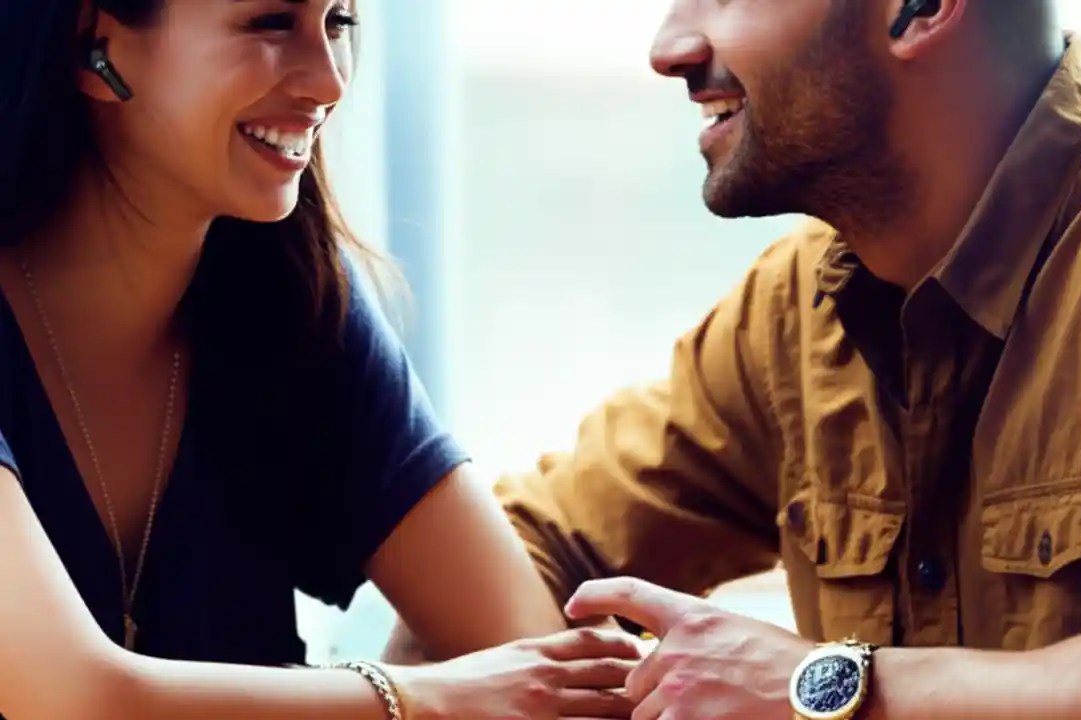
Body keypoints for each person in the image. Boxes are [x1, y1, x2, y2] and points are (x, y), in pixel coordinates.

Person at [388, 0, 1081, 718]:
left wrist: (823, 686)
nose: (670, 46)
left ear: (920, 9)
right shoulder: (793, 307)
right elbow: (515, 559)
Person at [0, 1, 641, 718]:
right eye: (272, 22)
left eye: (338, 23)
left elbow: (533, 661)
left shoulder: (293, 296)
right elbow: (66, 697)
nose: (330, 82)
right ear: (97, 43)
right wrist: (422, 700)